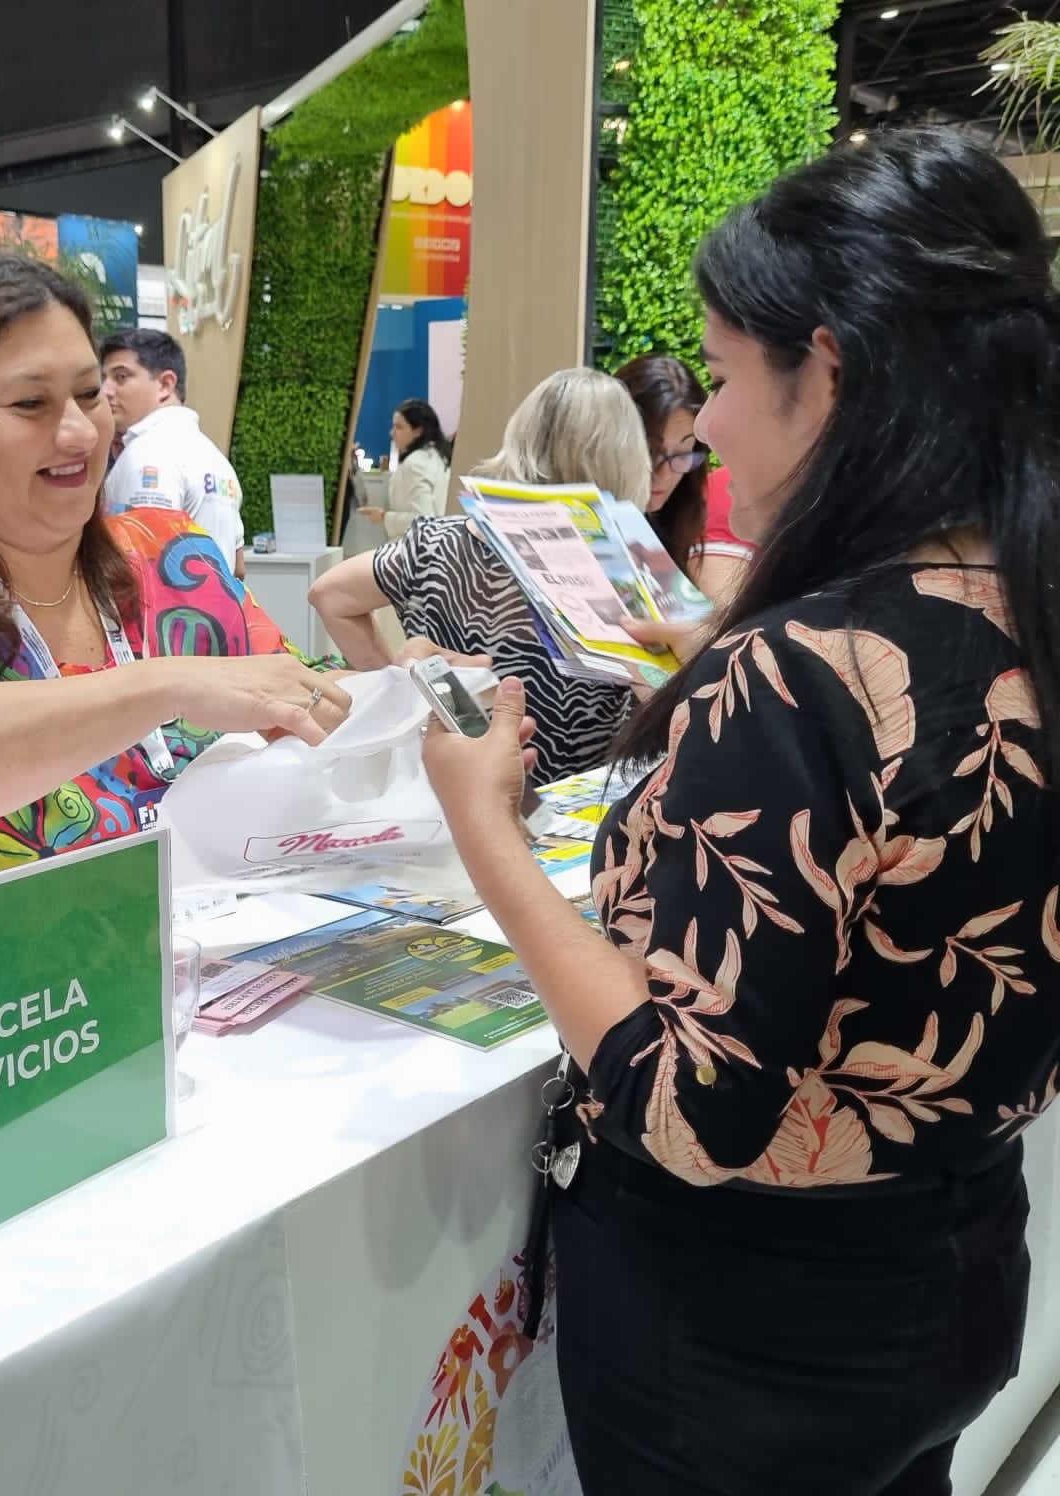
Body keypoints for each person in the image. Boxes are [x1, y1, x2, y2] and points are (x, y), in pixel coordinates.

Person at [422, 129, 1060, 1495]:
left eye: (721, 374)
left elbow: (690, 1107)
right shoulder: (1017, 613)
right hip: (956, 1264)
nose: (702, 422)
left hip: (745, 1333)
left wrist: (488, 834)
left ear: (826, 369)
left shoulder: (793, 673)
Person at [0, 251, 349, 914]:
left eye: (91, 395)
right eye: (31, 403)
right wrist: (165, 685)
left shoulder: (172, 554)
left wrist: (403, 685)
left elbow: (292, 695)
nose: (79, 433)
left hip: (221, 968)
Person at [310, 367, 651, 783]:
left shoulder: (436, 542)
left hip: (447, 794)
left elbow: (329, 595)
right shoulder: (618, 570)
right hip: (567, 818)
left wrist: (399, 686)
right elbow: (676, 706)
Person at [100, 329, 245, 577]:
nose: (106, 391)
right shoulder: (214, 458)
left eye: (121, 377)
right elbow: (239, 567)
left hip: (161, 614)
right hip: (215, 613)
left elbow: (144, 566)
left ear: (165, 384)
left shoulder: (147, 453)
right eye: (104, 379)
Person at [357, 398, 452, 540]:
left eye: (399, 427)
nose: (392, 433)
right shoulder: (439, 458)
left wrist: (384, 517)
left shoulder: (415, 464)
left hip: (415, 551)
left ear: (418, 431)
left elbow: (424, 521)